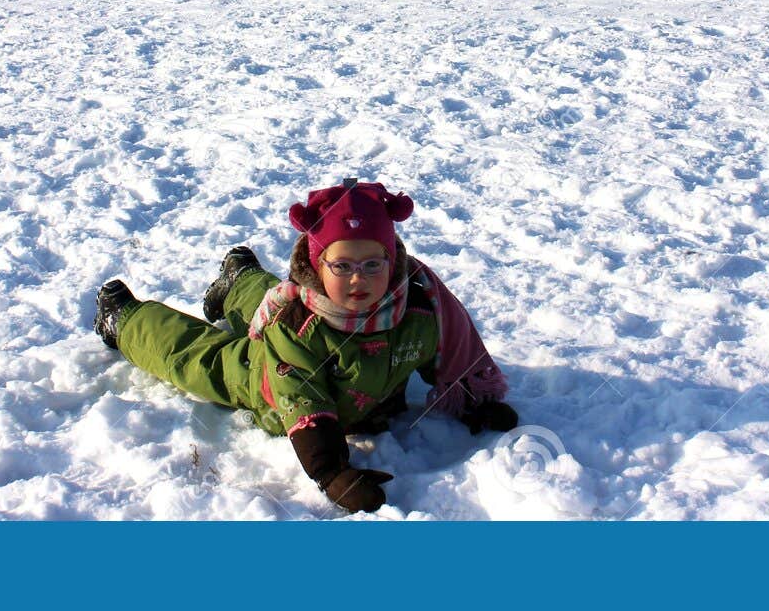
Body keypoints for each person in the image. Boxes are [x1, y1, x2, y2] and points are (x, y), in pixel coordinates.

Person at [92, 179, 517, 514]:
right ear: (317, 266)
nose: (359, 279)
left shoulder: (417, 307)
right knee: (199, 358)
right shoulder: (296, 324)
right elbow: (302, 398)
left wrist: (473, 399)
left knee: (269, 298)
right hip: (271, 388)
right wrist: (333, 472)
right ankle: (127, 317)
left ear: (393, 262)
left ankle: (239, 278)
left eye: (373, 264)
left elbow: (449, 351)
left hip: (366, 401)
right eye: (343, 266)